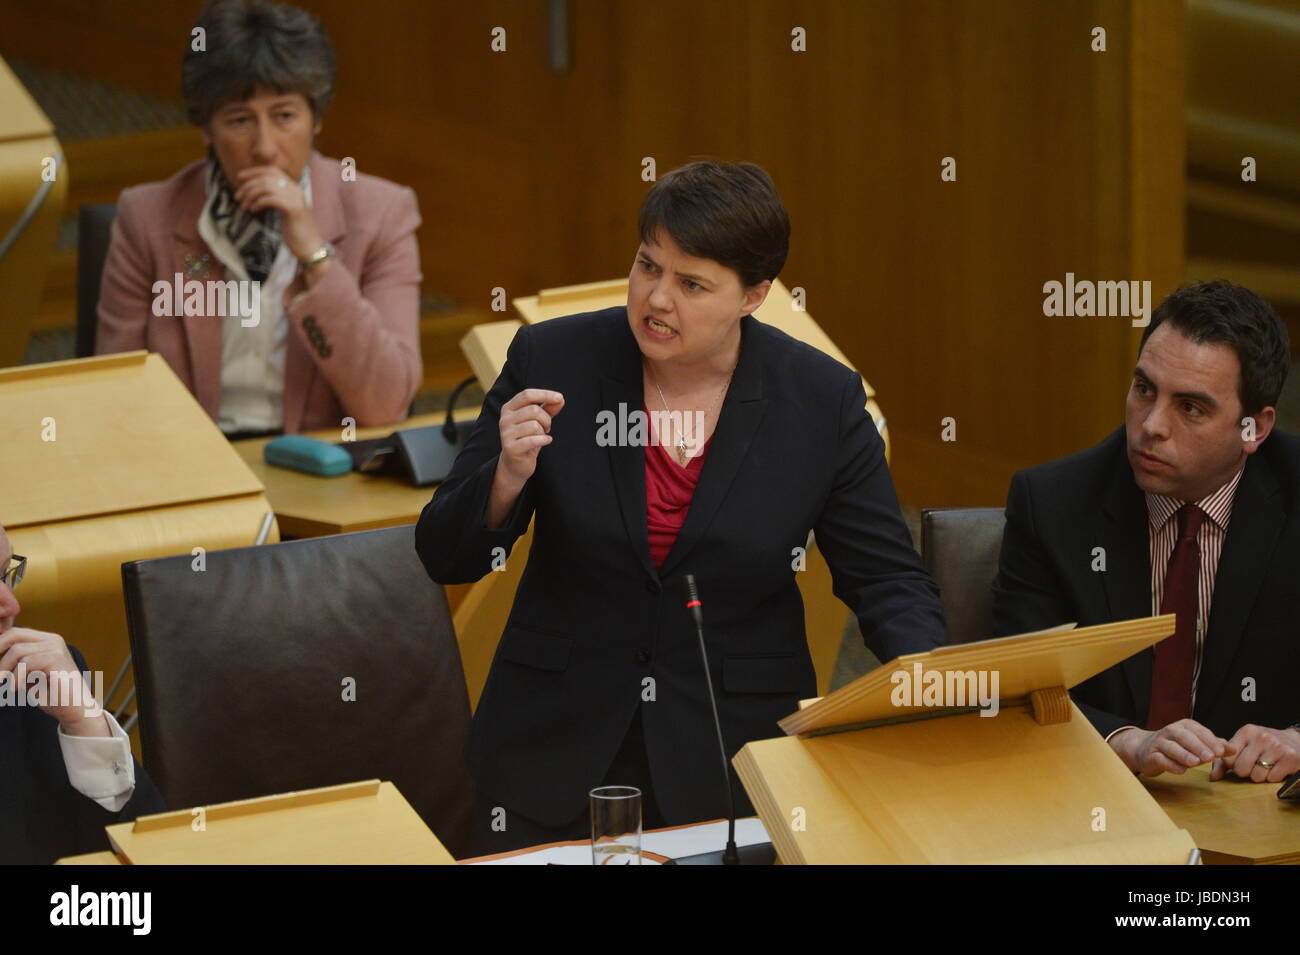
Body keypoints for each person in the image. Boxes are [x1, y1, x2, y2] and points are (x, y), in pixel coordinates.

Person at [416, 160, 946, 854]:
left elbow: (886, 580)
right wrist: (504, 477)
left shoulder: (820, 400)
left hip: (731, 756)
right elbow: (446, 553)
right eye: (647, 266)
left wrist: (936, 684)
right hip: (554, 742)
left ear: (754, 295)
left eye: (692, 283)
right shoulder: (557, 356)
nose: (656, 299)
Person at [993, 280, 1300, 784]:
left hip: (1261, 811)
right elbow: (1015, 691)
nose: (1151, 426)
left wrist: (1295, 739)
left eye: (1190, 407)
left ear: (1255, 430)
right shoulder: (1053, 504)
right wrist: (1127, 741)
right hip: (1100, 802)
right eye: (1144, 390)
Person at [96, 0, 422, 437]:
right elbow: (116, 400)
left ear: (316, 118)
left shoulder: (382, 213)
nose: (265, 147)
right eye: (239, 120)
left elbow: (387, 404)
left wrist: (315, 256)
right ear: (206, 130)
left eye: (285, 116)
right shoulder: (147, 218)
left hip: (322, 466)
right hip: (194, 466)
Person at [0, 525, 165, 863]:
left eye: (5, 575)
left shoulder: (35, 685)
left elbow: (150, 853)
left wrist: (86, 724)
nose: (11, 604)